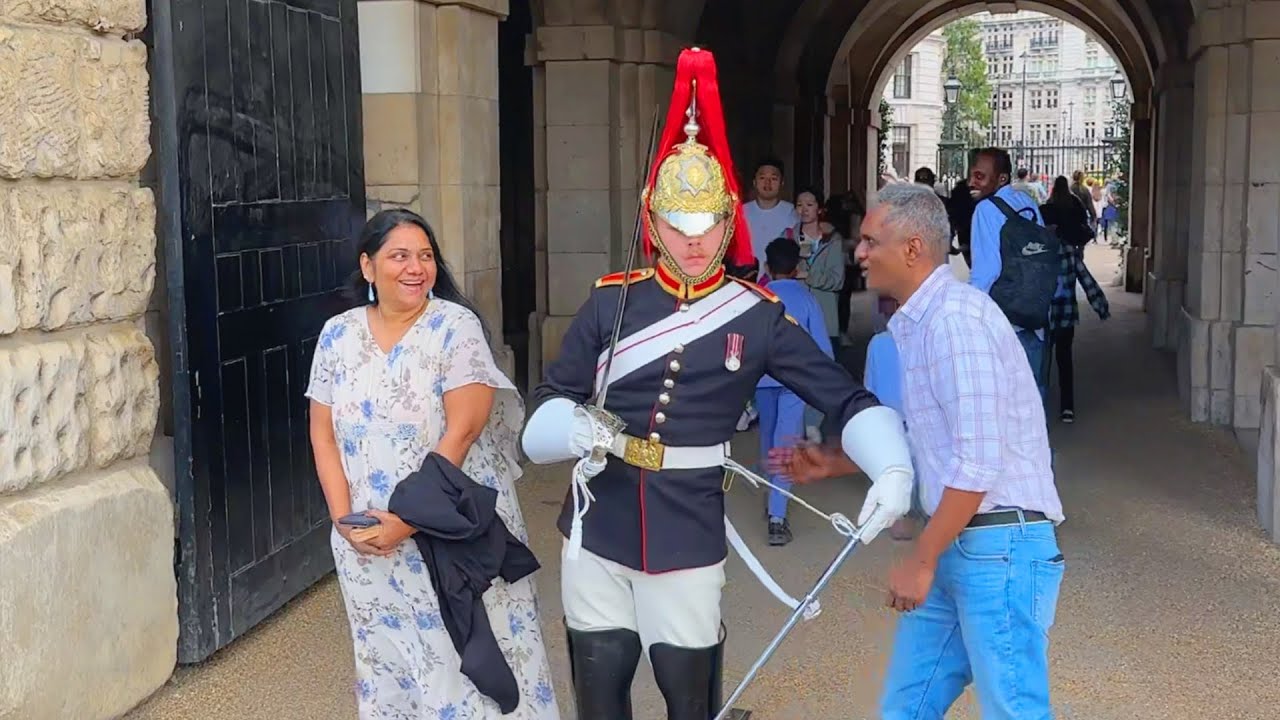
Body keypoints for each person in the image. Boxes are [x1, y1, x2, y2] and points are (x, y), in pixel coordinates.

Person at [519, 46, 915, 720]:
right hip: (597, 519)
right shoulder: (611, 299)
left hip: (686, 521)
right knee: (601, 689)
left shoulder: (756, 317)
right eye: (679, 225)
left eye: (708, 226)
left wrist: (892, 465)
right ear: (653, 222)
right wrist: (573, 425)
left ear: (728, 222)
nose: (695, 242)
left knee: (688, 695)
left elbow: (843, 396)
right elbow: (548, 408)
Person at [772, 182, 1066, 720]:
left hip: (998, 546)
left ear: (912, 249)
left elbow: (978, 461)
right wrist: (842, 459)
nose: (858, 252)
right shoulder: (920, 323)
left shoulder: (957, 321)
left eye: (869, 241)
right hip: (964, 539)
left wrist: (922, 556)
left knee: (1015, 710)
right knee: (906, 707)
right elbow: (932, 437)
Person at [306, 209, 559, 719]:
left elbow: (461, 433)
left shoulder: (454, 327)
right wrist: (344, 522)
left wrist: (405, 521)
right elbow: (323, 433)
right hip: (367, 542)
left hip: (448, 532)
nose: (415, 267)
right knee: (389, 665)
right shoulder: (338, 334)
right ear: (368, 266)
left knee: (465, 664)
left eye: (425, 256)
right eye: (399, 256)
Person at [755, 236, 834, 546]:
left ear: (766, 266)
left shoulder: (758, 298)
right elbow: (823, 351)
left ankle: (770, 493)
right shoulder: (807, 299)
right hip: (794, 382)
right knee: (786, 444)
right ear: (799, 268)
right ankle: (777, 517)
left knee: (767, 437)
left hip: (762, 379)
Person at [968, 147, 1052, 404]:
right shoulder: (1026, 203)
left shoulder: (985, 209)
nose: (971, 182)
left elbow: (986, 272)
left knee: (1002, 404)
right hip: (1034, 316)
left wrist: (968, 315)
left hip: (1001, 323)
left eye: (980, 176)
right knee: (1033, 397)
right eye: (971, 175)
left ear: (1001, 178)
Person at [1040, 176, 1110, 423]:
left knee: (1041, 359)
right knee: (1064, 359)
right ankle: (1066, 407)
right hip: (1066, 312)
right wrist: (1100, 305)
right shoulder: (1070, 250)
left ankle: (1038, 404)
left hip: (1041, 312)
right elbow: (1086, 279)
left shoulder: (1038, 252)